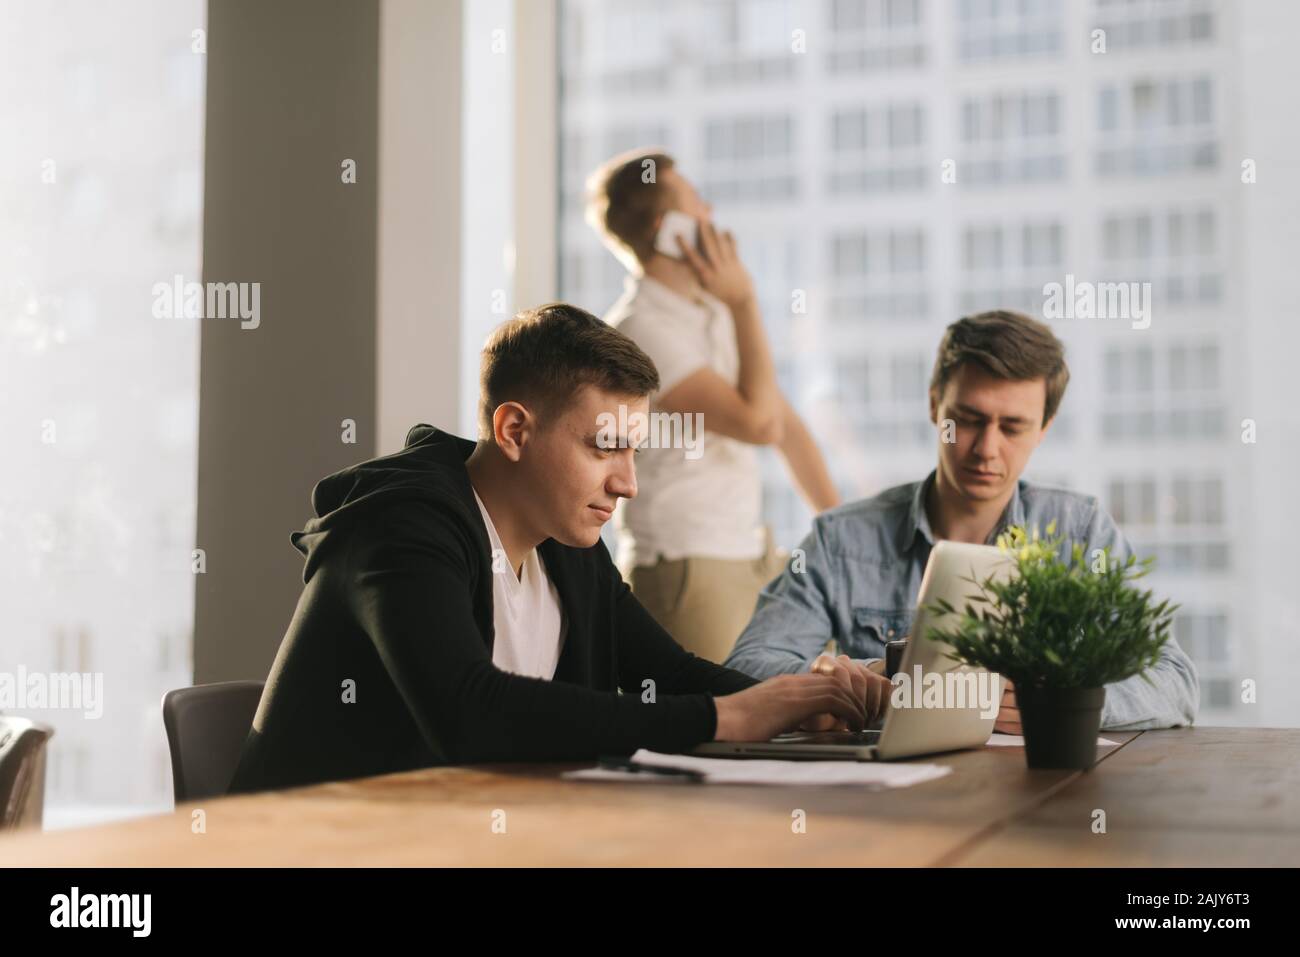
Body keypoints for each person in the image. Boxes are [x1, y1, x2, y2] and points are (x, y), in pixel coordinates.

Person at [227, 304, 873, 794]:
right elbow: (469, 710)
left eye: (632, 451)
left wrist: (799, 704)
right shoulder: (402, 529)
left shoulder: (567, 543)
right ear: (513, 430)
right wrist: (726, 718)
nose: (628, 482)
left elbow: (666, 672)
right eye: (604, 446)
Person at [724, 310, 1200, 732]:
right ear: (935, 405)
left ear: (1045, 428)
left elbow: (1172, 682)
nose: (987, 449)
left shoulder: (1081, 532)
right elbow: (746, 665)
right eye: (968, 420)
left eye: (1013, 427)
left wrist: (1060, 703)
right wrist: (860, 678)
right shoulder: (842, 539)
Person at [585, 148, 839, 663]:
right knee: (727, 727)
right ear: (670, 227)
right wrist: (745, 301)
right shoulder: (642, 329)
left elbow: (785, 424)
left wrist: (840, 536)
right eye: (697, 202)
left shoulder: (712, 311)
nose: (710, 214)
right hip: (690, 565)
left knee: (823, 698)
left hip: (747, 553)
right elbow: (759, 423)